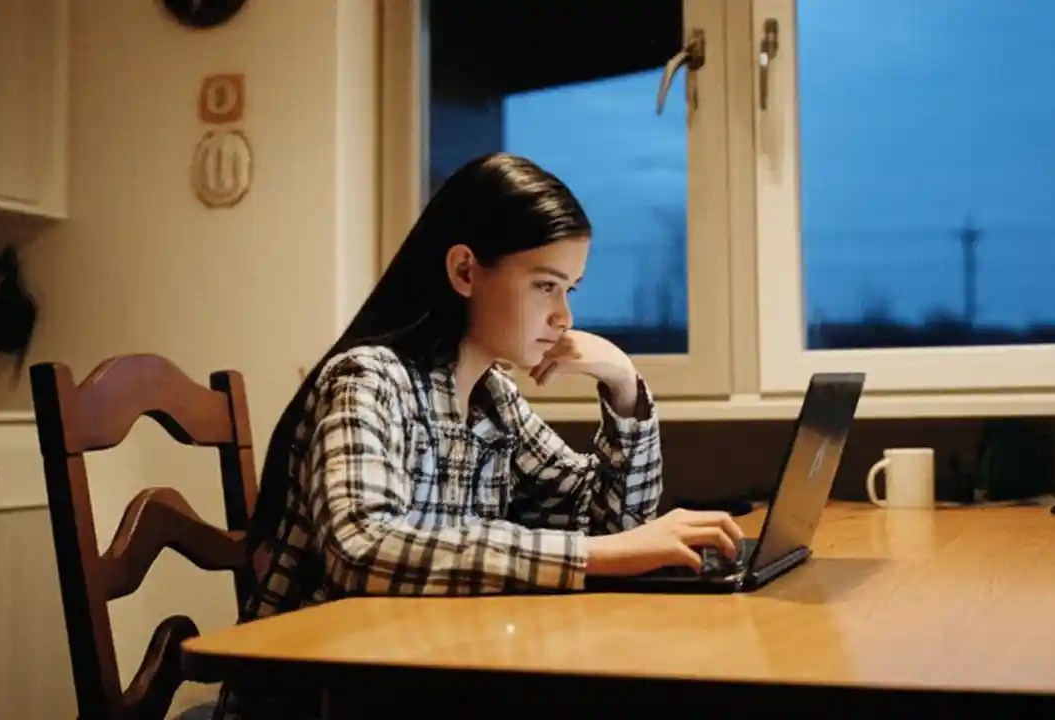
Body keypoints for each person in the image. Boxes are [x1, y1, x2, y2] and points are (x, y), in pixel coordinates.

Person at [217, 152, 743, 718]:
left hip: (427, 681)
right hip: (317, 699)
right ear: (465, 271)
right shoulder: (369, 378)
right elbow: (362, 547)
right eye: (546, 285)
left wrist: (621, 385)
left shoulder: (495, 399)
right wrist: (597, 554)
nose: (564, 316)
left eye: (571, 289)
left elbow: (615, 525)